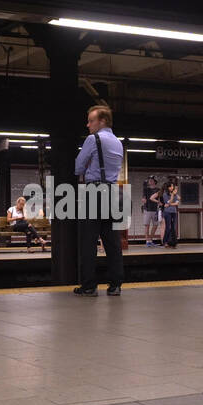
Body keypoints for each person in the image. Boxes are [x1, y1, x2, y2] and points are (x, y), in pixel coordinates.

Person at [74, 104, 124, 296]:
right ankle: (115, 285)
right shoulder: (117, 142)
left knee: (88, 240)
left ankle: (89, 286)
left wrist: (86, 168)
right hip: (112, 191)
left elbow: (78, 167)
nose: (88, 125)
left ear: (102, 121)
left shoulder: (93, 139)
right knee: (112, 241)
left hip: (94, 190)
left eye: (91, 120)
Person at [141, 176, 161, 247]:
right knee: (147, 225)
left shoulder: (158, 189)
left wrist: (159, 203)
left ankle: (150, 239)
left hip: (155, 209)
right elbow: (143, 197)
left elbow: (160, 198)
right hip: (147, 209)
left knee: (155, 225)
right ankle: (147, 241)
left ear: (155, 181)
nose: (150, 181)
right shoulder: (146, 189)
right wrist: (143, 199)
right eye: (149, 180)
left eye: (152, 180)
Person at [162, 181, 181, 248]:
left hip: (174, 212)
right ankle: (165, 242)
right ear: (168, 187)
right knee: (168, 227)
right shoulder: (165, 194)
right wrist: (172, 195)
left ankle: (173, 243)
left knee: (174, 228)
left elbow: (177, 202)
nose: (172, 187)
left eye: (172, 186)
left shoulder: (175, 194)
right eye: (171, 186)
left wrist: (170, 204)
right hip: (167, 212)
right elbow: (169, 201)